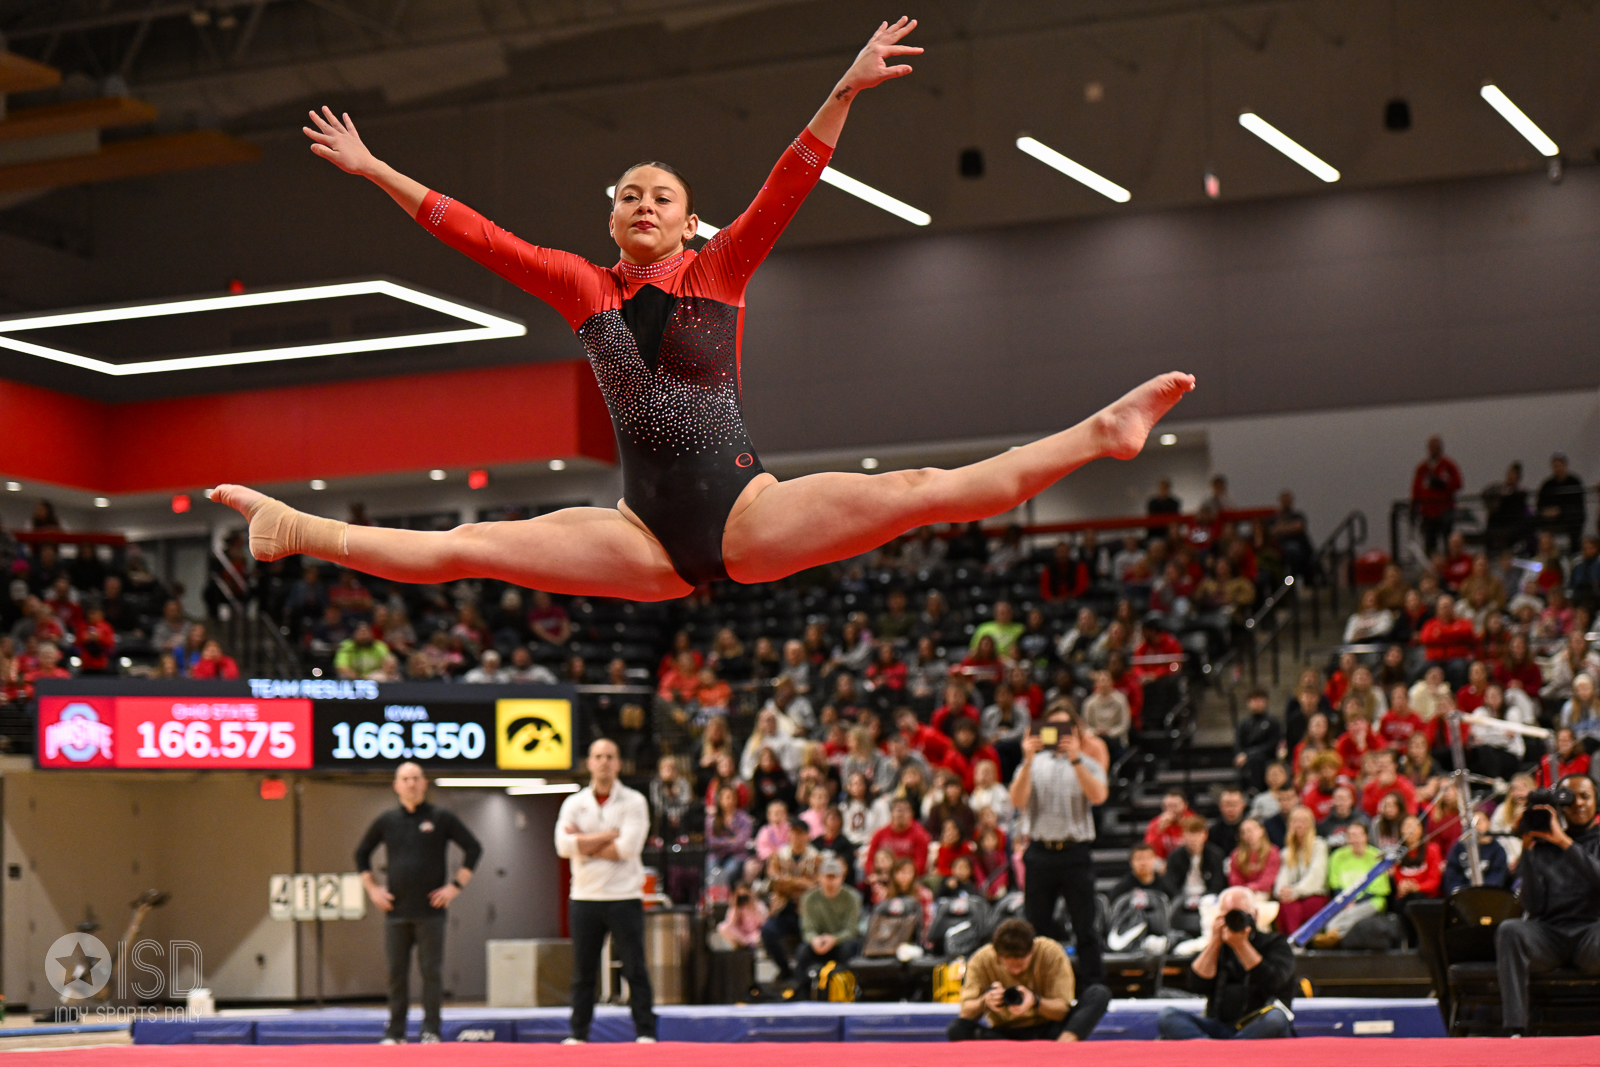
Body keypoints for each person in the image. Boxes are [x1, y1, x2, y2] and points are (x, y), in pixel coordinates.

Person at [209, 20, 1194, 606]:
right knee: (469, 548)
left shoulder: (720, 269)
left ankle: (1099, 433)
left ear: (687, 221)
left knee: (919, 487)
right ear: (610, 215)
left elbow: (785, 185)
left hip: (744, 512)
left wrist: (841, 92)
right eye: (628, 192)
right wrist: (376, 168)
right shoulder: (581, 285)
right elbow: (474, 234)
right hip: (639, 535)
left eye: (662, 195)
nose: (643, 202)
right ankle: (296, 527)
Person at [355, 762, 483, 1045]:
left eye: (416, 778)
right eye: (405, 779)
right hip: (396, 912)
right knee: (396, 976)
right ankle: (395, 1032)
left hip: (431, 912)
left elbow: (473, 848)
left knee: (431, 974)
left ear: (424, 783)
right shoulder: (387, 821)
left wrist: (455, 886)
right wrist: (373, 889)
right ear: (396, 785)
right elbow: (361, 853)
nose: (411, 783)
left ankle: (430, 1031)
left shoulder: (441, 817)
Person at [555, 739, 655, 1043]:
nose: (604, 762)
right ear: (589, 762)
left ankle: (646, 1033)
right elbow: (562, 847)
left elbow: (627, 848)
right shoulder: (574, 803)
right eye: (598, 756)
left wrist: (584, 843)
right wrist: (608, 836)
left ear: (618, 763)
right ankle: (578, 1034)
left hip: (624, 897)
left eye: (610, 756)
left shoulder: (634, 801)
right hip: (585, 898)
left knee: (635, 968)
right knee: (583, 972)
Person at [1010, 706, 1108, 984]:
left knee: (1085, 926)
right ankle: (1039, 984)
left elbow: (1099, 796)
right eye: (1053, 729)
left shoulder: (1087, 763)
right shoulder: (1033, 763)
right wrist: (1027, 761)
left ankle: (1093, 989)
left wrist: (1076, 759)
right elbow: (1017, 801)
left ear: (1076, 732)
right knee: (1036, 926)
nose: (1060, 735)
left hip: (1075, 852)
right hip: (1040, 852)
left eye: (1066, 729)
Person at [1495, 775, 1600, 1036]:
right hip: (1550, 935)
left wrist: (1564, 843)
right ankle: (1515, 1030)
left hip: (1591, 935)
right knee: (1510, 930)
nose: (1578, 804)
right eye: (1571, 799)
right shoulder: (1542, 843)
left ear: (1597, 802)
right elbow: (1533, 905)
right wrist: (1528, 852)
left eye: (1585, 796)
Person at [1156, 886, 1297, 1040]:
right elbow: (1196, 984)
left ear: (1254, 915)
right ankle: (1213, 1049)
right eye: (1228, 915)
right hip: (1218, 1027)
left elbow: (1274, 982)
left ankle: (1223, 1053)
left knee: (1276, 1019)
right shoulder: (1218, 947)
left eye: (1240, 914)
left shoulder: (1276, 943)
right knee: (1168, 1015)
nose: (1234, 920)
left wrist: (1241, 946)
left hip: (1258, 1026)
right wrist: (1215, 942)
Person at [948, 918, 1110, 1043]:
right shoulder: (981, 959)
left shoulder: (1050, 952)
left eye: (1021, 966)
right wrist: (985, 1001)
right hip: (1003, 1034)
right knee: (957, 1028)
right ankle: (1008, 1053)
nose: (1016, 972)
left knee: (1099, 993)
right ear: (997, 956)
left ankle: (1063, 1046)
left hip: (1049, 1030)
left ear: (1032, 952)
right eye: (1010, 967)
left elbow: (1062, 1010)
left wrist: (1036, 1002)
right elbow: (965, 1012)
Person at [790, 856, 862, 991]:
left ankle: (847, 990)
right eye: (827, 877)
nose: (831, 881)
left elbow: (851, 929)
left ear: (842, 878)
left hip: (841, 942)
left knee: (850, 948)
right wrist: (814, 940)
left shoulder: (853, 897)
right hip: (818, 943)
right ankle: (801, 990)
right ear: (820, 877)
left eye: (834, 877)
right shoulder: (808, 898)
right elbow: (807, 929)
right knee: (802, 951)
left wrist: (834, 939)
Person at [1160, 815, 1228, 936]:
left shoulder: (1216, 855)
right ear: (1183, 836)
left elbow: (1218, 882)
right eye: (1190, 834)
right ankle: (1173, 935)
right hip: (1181, 895)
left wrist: (1204, 897)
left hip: (1207, 896)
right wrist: (1182, 897)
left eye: (1197, 834)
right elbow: (1170, 883)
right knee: (1173, 905)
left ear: (1204, 835)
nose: (1194, 839)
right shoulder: (1175, 856)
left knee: (1212, 904)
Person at [1411, 436, 1462, 556]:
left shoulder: (1448, 465)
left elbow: (1458, 484)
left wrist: (1443, 485)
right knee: (1429, 544)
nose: (1434, 450)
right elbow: (1416, 489)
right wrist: (1413, 507)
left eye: (1436, 448)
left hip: (1445, 511)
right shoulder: (1423, 468)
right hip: (1428, 513)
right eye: (1431, 448)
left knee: (1447, 542)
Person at [1442, 810, 1511, 895]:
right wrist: (1458, 892)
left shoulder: (1497, 849)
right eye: (1474, 821)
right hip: (1462, 896)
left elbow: (1498, 875)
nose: (1477, 825)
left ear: (1488, 822)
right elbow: (1452, 873)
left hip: (1488, 896)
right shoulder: (1459, 847)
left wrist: (1483, 892)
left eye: (1481, 821)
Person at [1233, 688, 1280, 793]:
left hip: (1266, 759)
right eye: (1254, 700)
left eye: (1260, 700)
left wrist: (1249, 754)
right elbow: (1238, 743)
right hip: (1246, 760)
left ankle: (1256, 790)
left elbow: (1272, 744)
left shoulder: (1273, 722)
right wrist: (1240, 755)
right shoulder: (1244, 724)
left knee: (1256, 761)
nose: (1257, 703)